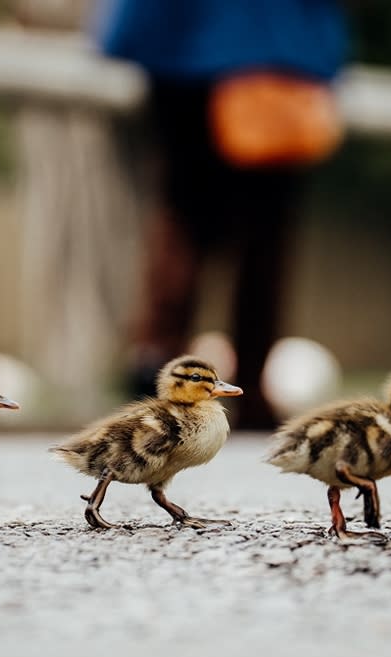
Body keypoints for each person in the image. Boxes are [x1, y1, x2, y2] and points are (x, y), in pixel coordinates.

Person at [91, 0, 350, 429]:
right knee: (265, 236)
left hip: (185, 47)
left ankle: (157, 362)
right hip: (277, 54)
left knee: (182, 215)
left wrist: (123, 34)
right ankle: (250, 390)